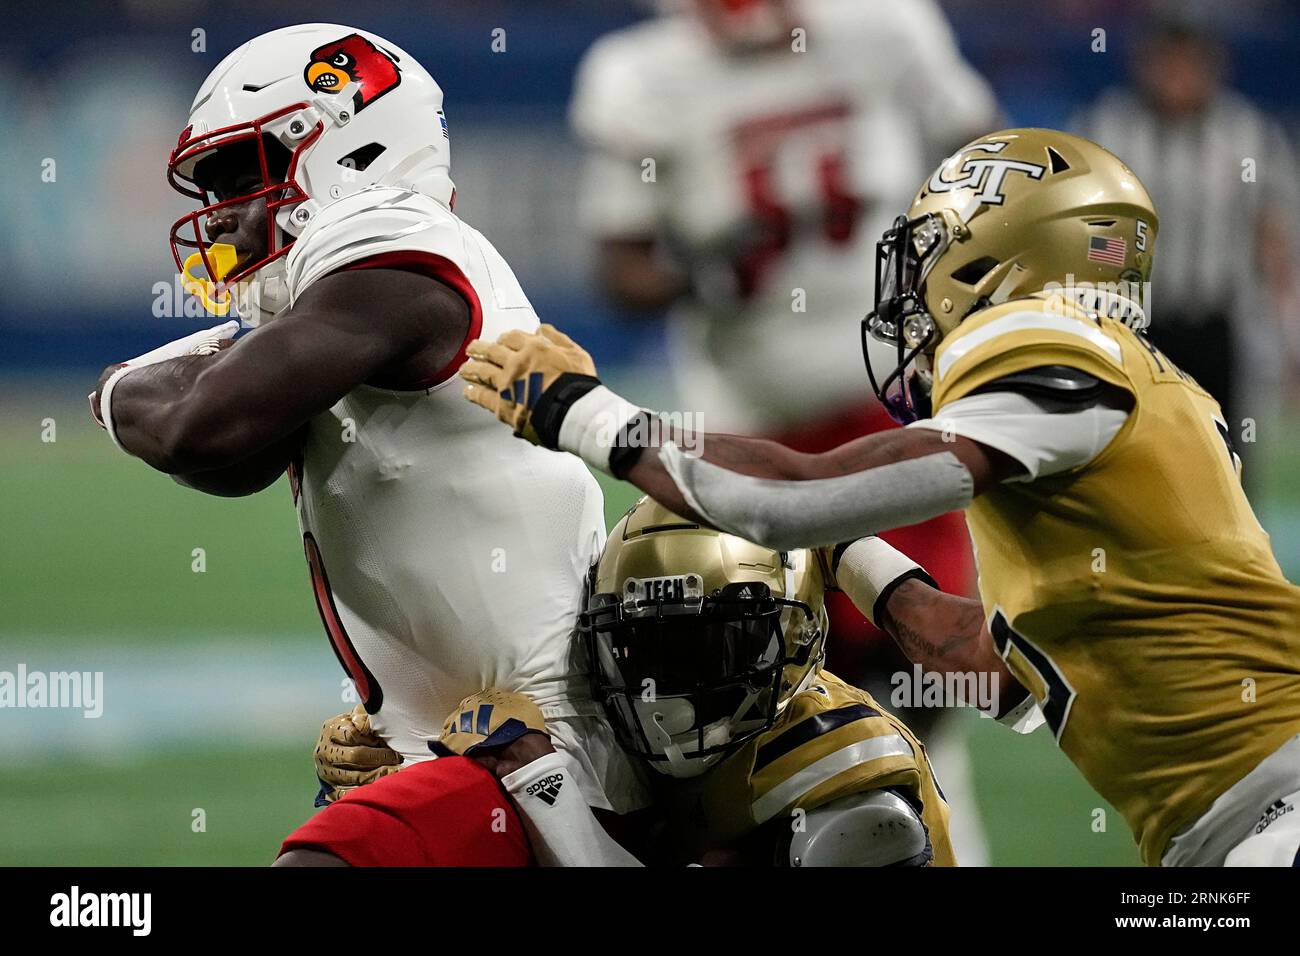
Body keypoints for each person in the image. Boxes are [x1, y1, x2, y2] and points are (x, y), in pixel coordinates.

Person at [459, 127, 1300, 866]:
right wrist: (845, 555)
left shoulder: (1040, 333)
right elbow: (989, 670)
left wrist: (580, 412)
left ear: (1004, 256)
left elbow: (798, 495)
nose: (913, 287)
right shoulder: (1147, 397)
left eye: (933, 251)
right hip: (1240, 816)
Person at [88, 23, 645, 864]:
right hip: (451, 750)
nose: (224, 214)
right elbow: (235, 465)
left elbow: (199, 427)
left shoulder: (395, 244)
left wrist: (110, 389)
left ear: (349, 146)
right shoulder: (348, 296)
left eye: (246, 173)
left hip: (537, 750)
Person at [570, 0, 1000, 861]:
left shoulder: (885, 27)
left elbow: (989, 171)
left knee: (916, 683)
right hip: (738, 424)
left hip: (890, 406)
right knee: (721, 697)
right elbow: (621, 267)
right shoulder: (644, 74)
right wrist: (700, 265)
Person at [309, 497, 955, 866]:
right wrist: (405, 753)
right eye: (643, 647)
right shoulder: (631, 729)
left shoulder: (842, 776)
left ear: (791, 640)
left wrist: (546, 789)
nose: (668, 691)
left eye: (709, 648)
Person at [1072, 6, 1300, 484]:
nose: (1178, 75)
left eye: (1190, 61)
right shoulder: (1106, 128)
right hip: (1136, 328)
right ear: (1145, 62)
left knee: (1227, 466)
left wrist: (1289, 336)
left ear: (1214, 65)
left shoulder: (1247, 135)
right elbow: (1081, 236)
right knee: (1131, 466)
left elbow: (1273, 240)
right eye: (1168, 60)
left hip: (1219, 329)